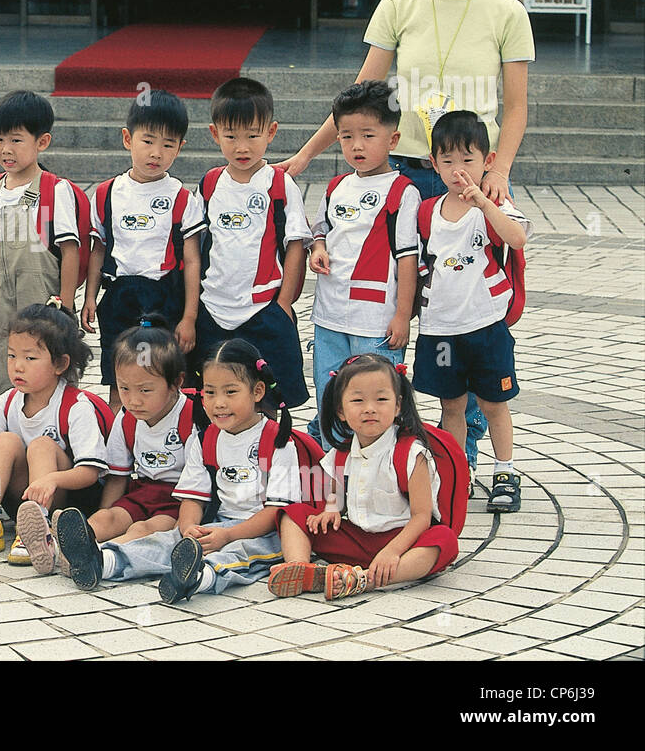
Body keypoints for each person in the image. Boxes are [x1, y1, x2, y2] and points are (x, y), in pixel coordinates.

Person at [282, 0, 535, 468]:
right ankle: (382, 442)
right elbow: (360, 101)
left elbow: (517, 106)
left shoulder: (506, 12)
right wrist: (306, 155)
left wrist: (498, 172)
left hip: (472, 183)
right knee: (399, 312)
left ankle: (463, 451)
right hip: (402, 180)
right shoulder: (399, 4)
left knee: (467, 313)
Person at [57, 340, 315, 603]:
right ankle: (104, 561)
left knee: (236, 554)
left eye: (230, 392)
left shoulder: (278, 441)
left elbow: (277, 512)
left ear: (257, 391)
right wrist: (188, 526)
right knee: (165, 541)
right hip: (216, 523)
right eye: (210, 393)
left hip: (264, 532)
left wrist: (228, 535)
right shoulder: (206, 438)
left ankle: (196, 579)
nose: (219, 403)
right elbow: (193, 497)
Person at [268, 354, 459, 600]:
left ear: (398, 405)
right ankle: (302, 569)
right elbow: (335, 495)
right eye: (358, 400)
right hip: (357, 538)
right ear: (341, 410)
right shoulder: (341, 452)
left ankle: (362, 580)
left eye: (381, 399)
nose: (370, 408)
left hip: (402, 540)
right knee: (293, 514)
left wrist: (391, 552)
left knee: (444, 540)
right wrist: (331, 511)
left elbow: (422, 517)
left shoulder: (412, 453)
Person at [414, 111, 529, 512]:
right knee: (451, 405)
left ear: (488, 161)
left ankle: (506, 471)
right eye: (447, 161)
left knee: (495, 403)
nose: (458, 170)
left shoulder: (493, 204)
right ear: (433, 163)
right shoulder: (427, 211)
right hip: (441, 328)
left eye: (468, 160)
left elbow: (516, 238)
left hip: (485, 325)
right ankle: (459, 471)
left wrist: (483, 199)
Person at [307, 80, 421, 447]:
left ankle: (379, 469)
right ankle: (332, 471)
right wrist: (318, 248)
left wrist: (402, 315)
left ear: (393, 138)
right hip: (329, 312)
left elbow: (408, 259)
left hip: (376, 319)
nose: (356, 146)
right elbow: (320, 229)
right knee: (330, 392)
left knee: (374, 399)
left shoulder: (404, 191)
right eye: (346, 136)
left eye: (367, 135)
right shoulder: (336, 185)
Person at [0, 300, 112, 572]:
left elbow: (90, 472)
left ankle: (41, 529)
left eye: (30, 358)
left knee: (42, 445)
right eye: (11, 356)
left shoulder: (75, 406)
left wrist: (51, 479)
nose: (18, 366)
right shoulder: (8, 401)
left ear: (60, 364)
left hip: (64, 498)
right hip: (20, 494)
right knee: (4, 440)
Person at [82, 90, 206, 412]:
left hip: (164, 297)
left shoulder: (182, 198)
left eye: (168, 144)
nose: (156, 153)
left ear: (181, 147)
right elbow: (99, 249)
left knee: (162, 378)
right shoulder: (107, 193)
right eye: (148, 141)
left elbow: (192, 260)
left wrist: (190, 316)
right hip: (119, 297)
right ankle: (115, 450)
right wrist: (89, 298)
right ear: (128, 138)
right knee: (117, 377)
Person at [192, 78, 309, 408]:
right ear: (215, 134)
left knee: (271, 399)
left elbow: (296, 245)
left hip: (262, 310)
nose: (241, 147)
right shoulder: (210, 183)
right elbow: (197, 244)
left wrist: (284, 303)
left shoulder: (279, 185)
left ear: (271, 132)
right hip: (213, 309)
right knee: (213, 397)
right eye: (231, 137)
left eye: (252, 136)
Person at [0, 90, 84, 398]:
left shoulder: (53, 191)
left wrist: (67, 308)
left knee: (43, 360)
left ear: (41, 142)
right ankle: (5, 423)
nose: (6, 149)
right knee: (1, 355)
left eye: (16, 140)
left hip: (41, 299)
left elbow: (69, 251)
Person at [60, 317, 194, 547]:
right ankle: (62, 544)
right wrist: (106, 512)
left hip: (178, 501)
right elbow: (117, 477)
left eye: (145, 390)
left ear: (176, 382)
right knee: (106, 517)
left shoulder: (190, 417)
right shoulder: (126, 418)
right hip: (140, 492)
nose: (133, 400)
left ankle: (101, 555)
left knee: (142, 529)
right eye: (124, 388)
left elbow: (198, 485)